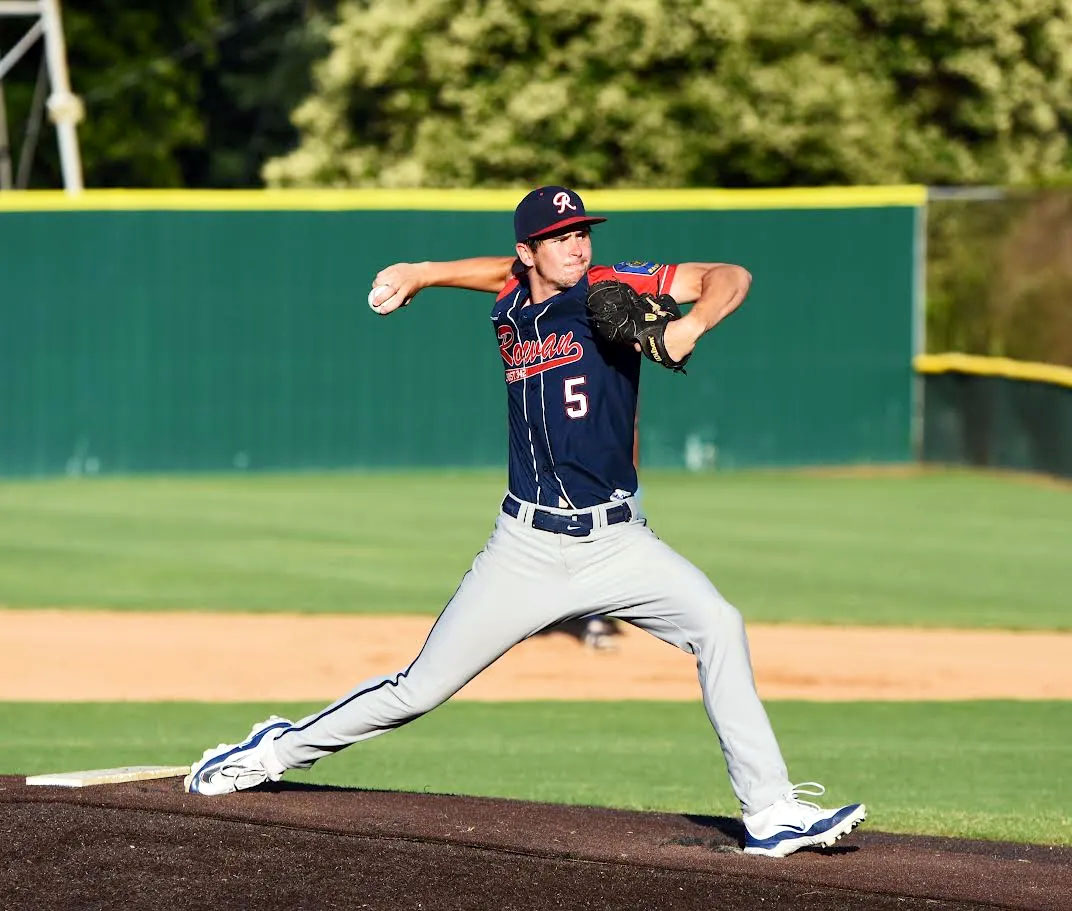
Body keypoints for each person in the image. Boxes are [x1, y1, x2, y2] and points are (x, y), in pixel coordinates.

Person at [184, 186, 867, 858]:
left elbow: (729, 275)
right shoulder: (512, 298)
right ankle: (270, 750)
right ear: (529, 251)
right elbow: (494, 274)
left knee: (718, 624)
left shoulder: (608, 288)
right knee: (419, 688)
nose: (577, 244)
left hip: (619, 542)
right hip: (525, 549)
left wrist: (691, 323)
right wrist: (423, 273)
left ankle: (771, 810)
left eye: (582, 232)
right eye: (560, 237)